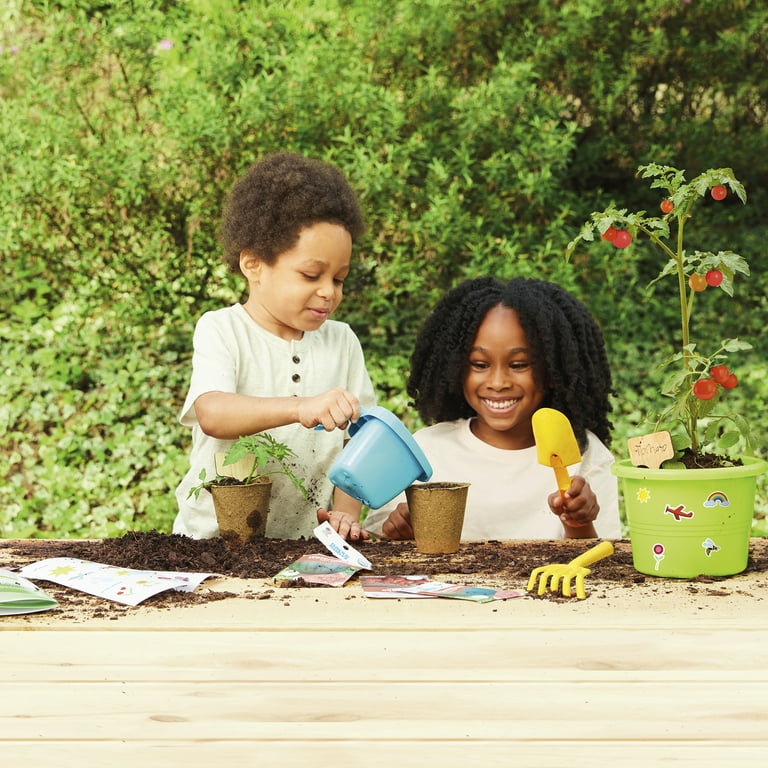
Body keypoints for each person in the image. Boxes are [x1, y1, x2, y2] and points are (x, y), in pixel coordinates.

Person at [174, 152, 376, 541]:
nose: (328, 292)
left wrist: (346, 512)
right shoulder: (223, 329)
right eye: (311, 274)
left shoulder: (343, 342)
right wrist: (301, 406)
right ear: (253, 264)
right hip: (214, 542)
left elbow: (357, 441)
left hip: (306, 543)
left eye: (339, 279)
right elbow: (212, 411)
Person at [363, 276, 621, 541]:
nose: (498, 383)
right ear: (454, 367)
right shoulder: (424, 453)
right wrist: (400, 531)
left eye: (519, 365)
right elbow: (383, 545)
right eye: (479, 364)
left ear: (556, 370)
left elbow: (604, 563)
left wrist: (579, 523)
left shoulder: (586, 456)